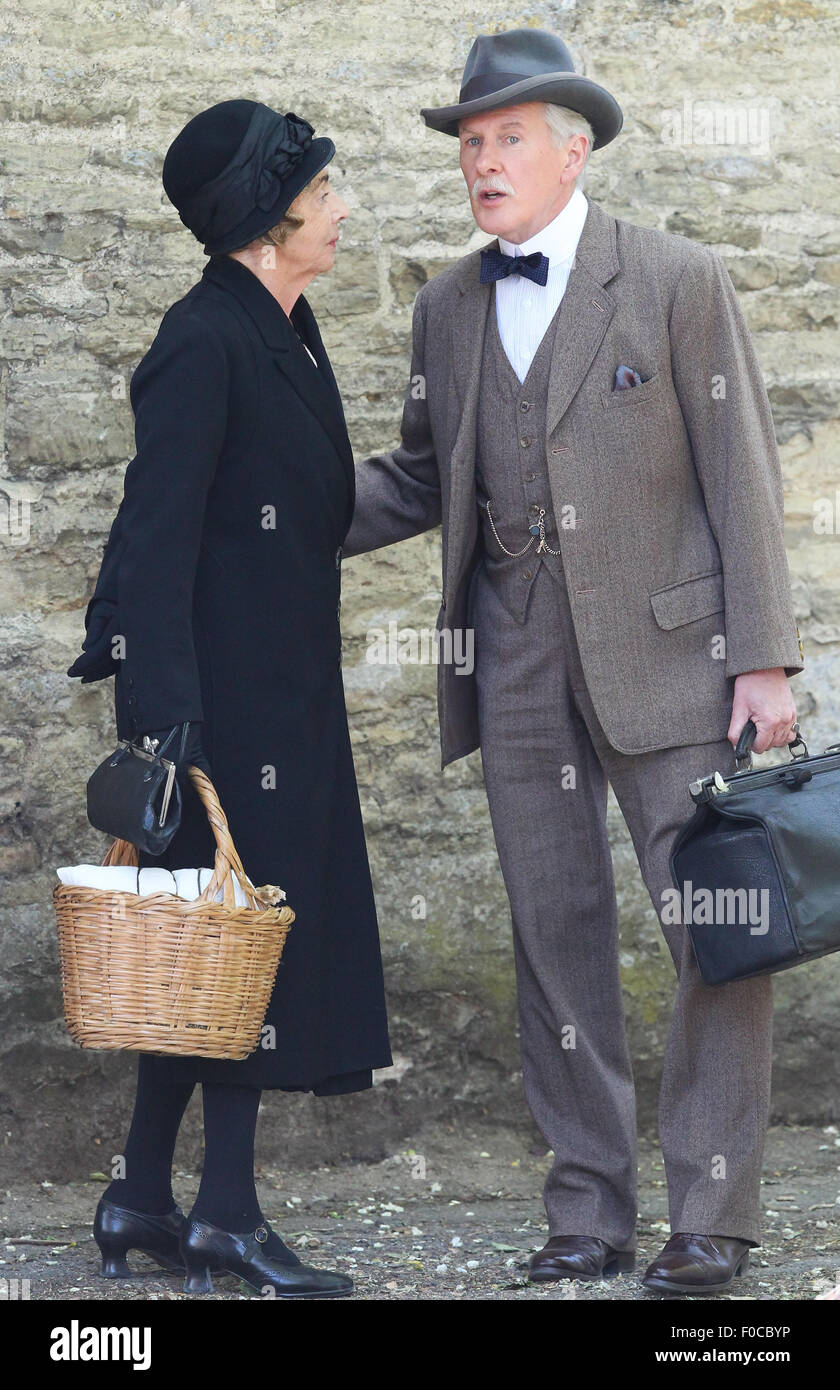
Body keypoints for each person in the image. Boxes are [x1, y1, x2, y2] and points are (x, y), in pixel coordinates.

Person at [338, 29, 805, 1295]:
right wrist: (265, 503)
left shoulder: (674, 277)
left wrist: (764, 661)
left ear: (572, 147)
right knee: (554, 935)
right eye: (469, 144)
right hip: (517, 657)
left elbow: (743, 481)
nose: (481, 164)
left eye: (506, 139)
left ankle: (713, 1216)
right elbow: (426, 476)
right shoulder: (445, 305)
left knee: (715, 928)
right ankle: (587, 1212)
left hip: (674, 652)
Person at [67, 98, 392, 1299]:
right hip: (220, 710)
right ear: (269, 218)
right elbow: (152, 539)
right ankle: (229, 1218)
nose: (343, 204)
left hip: (285, 694)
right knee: (235, 959)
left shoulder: (286, 330)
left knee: (206, 958)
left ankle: (142, 1198)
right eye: (325, 189)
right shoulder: (202, 340)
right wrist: (166, 716)